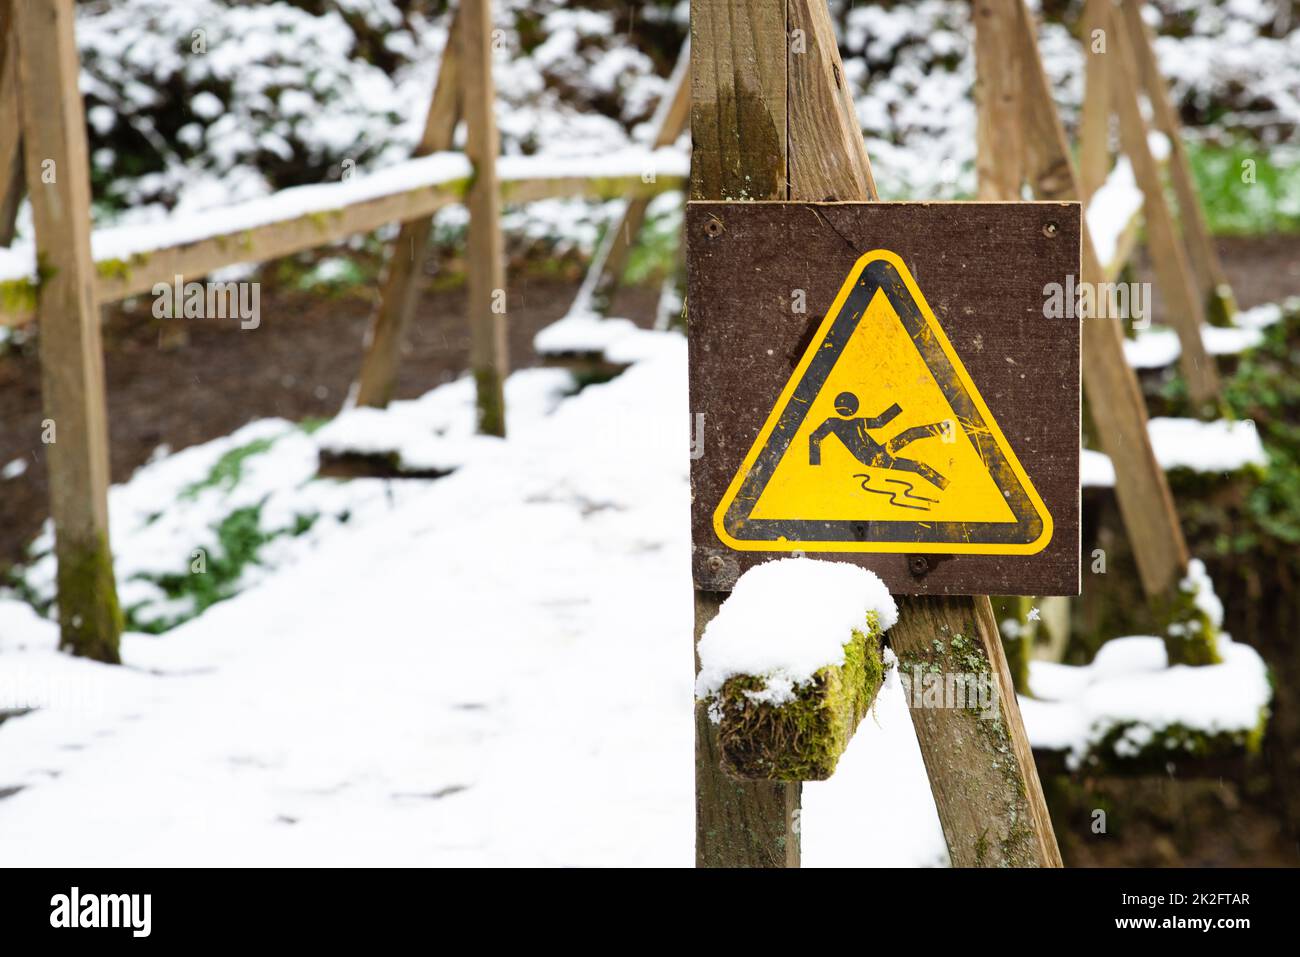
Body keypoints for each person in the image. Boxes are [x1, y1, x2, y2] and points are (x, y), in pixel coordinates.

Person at [808, 391, 950, 490]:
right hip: (872, 459)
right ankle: (946, 486)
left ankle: (950, 427)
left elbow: (879, 422)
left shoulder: (855, 420)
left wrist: (900, 405)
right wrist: (815, 467)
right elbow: (814, 437)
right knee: (918, 466)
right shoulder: (832, 423)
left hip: (879, 451)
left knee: (911, 433)